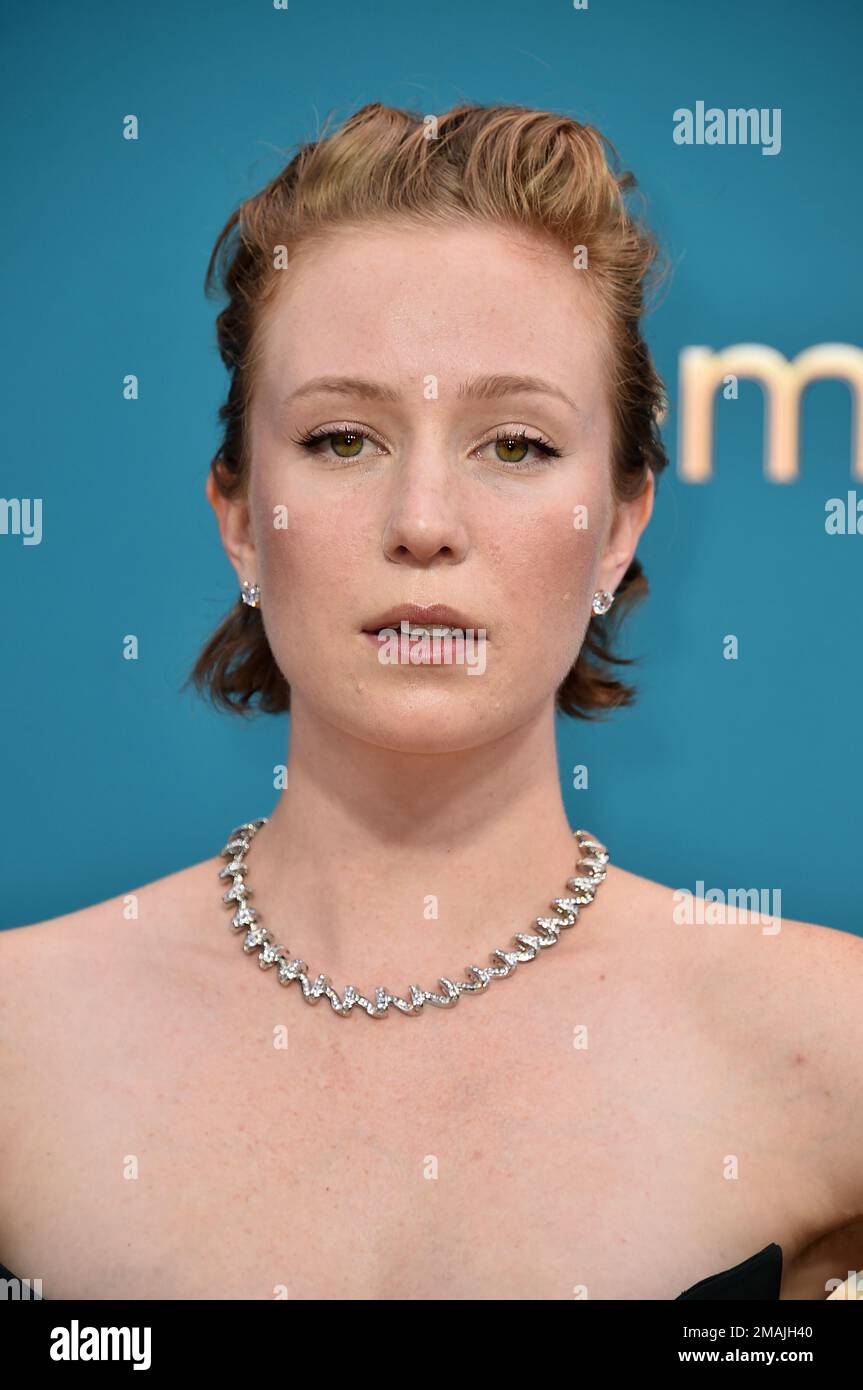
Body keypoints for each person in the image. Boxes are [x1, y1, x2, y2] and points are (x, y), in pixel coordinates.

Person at [1, 102, 860, 1302]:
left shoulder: (832, 1054)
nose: (422, 524)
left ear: (617, 524)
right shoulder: (16, 1048)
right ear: (241, 517)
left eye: (513, 445)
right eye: (343, 438)